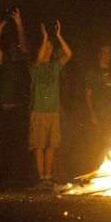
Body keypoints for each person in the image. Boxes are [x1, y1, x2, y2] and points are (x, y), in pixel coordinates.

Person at [28, 21, 72, 188]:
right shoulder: (35, 67)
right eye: (44, 48)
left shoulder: (55, 66)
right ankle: (42, 178)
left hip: (53, 111)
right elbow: (38, 60)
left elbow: (69, 54)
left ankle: (48, 176)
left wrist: (59, 36)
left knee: (51, 145)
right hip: (38, 111)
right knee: (39, 145)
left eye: (49, 49)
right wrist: (45, 38)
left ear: (52, 51)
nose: (46, 51)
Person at [0, 9, 30, 187]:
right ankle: (7, 179)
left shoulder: (23, 63)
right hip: (5, 110)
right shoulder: (5, 61)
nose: (14, 49)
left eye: (16, 48)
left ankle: (19, 178)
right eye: (12, 48)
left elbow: (25, 45)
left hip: (18, 110)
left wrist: (19, 24)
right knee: (6, 146)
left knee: (18, 145)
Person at [85, 44, 111, 160]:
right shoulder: (92, 73)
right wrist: (92, 114)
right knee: (99, 144)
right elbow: (87, 95)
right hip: (99, 114)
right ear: (99, 55)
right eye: (104, 52)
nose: (107, 55)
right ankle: (98, 167)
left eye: (109, 53)